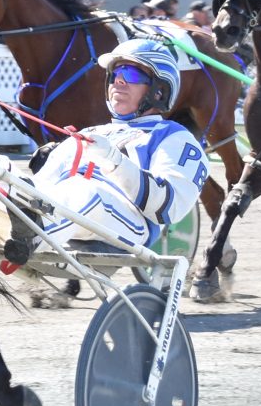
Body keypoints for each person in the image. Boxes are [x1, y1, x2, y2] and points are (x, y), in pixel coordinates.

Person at [27, 38, 209, 251]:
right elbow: (41, 187)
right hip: (73, 214)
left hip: (129, 224)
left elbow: (168, 207)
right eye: (115, 75)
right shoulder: (91, 133)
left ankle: (31, 237)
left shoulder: (173, 136)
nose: (119, 81)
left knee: (86, 191)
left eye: (131, 75)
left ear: (159, 91)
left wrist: (114, 161)